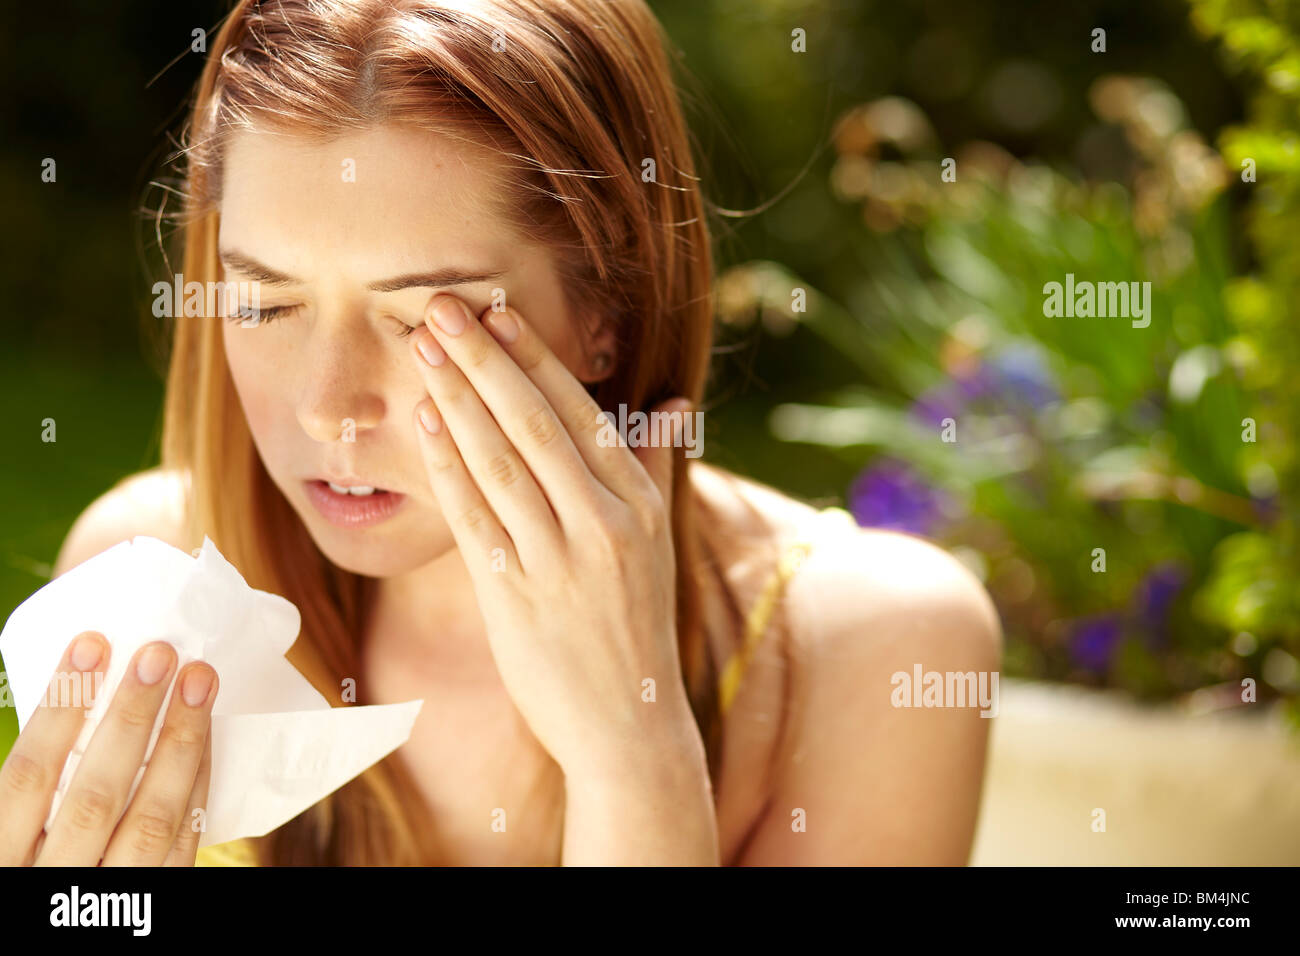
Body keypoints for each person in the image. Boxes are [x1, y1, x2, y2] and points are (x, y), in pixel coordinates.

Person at [0, 0, 1001, 866]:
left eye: (422, 319)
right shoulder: (148, 595)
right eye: (264, 306)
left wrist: (634, 751)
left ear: (606, 311)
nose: (328, 406)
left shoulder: (873, 652)